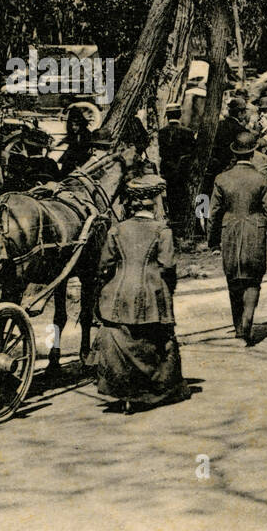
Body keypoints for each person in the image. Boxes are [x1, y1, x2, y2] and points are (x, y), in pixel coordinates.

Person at [94, 175, 190, 413]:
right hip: (151, 291)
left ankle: (124, 391)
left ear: (131, 204)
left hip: (118, 290)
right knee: (155, 338)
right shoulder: (162, 231)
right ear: (154, 202)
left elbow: (104, 265)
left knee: (119, 336)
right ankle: (155, 388)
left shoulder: (116, 230)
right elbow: (167, 264)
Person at [208, 131, 267, 346]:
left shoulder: (222, 179)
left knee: (233, 279)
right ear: (253, 153)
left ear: (235, 153)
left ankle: (238, 329)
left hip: (230, 232)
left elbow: (214, 212)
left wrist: (212, 240)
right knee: (253, 280)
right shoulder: (262, 179)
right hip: (256, 231)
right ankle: (247, 322)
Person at [158, 106, 198, 229]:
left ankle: (174, 220)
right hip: (183, 171)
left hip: (169, 171)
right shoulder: (188, 132)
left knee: (171, 194)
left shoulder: (162, 132)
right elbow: (192, 152)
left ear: (167, 116)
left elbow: (161, 153)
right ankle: (182, 222)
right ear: (179, 115)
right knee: (183, 195)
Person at [206, 97, 249, 194]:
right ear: (240, 114)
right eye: (244, 112)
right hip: (231, 170)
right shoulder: (241, 130)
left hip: (213, 168)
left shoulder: (217, 125)